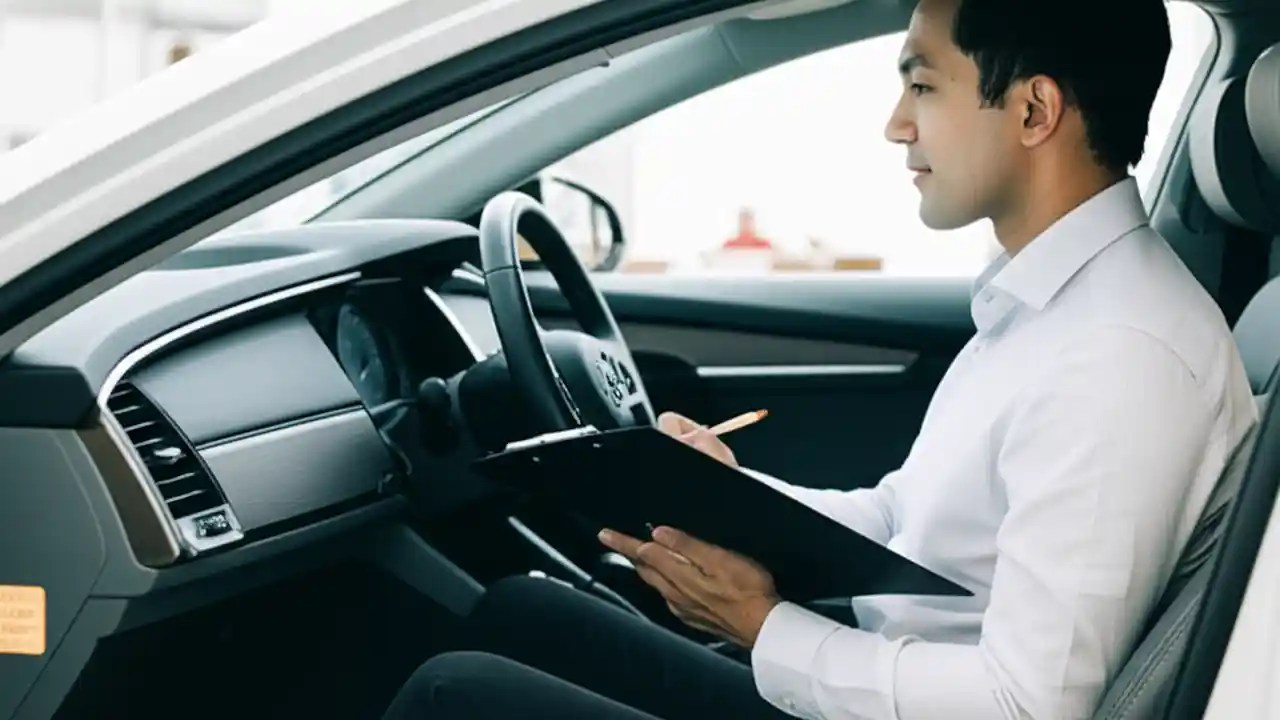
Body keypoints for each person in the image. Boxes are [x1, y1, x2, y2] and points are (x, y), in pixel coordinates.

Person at [384, 0, 1258, 717]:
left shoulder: (1117, 355)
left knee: (453, 695)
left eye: (923, 84)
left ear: (1033, 110)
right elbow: (906, 522)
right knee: (525, 613)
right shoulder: (1051, 307)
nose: (896, 125)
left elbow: (1026, 704)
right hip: (883, 681)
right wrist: (726, 498)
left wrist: (762, 626)